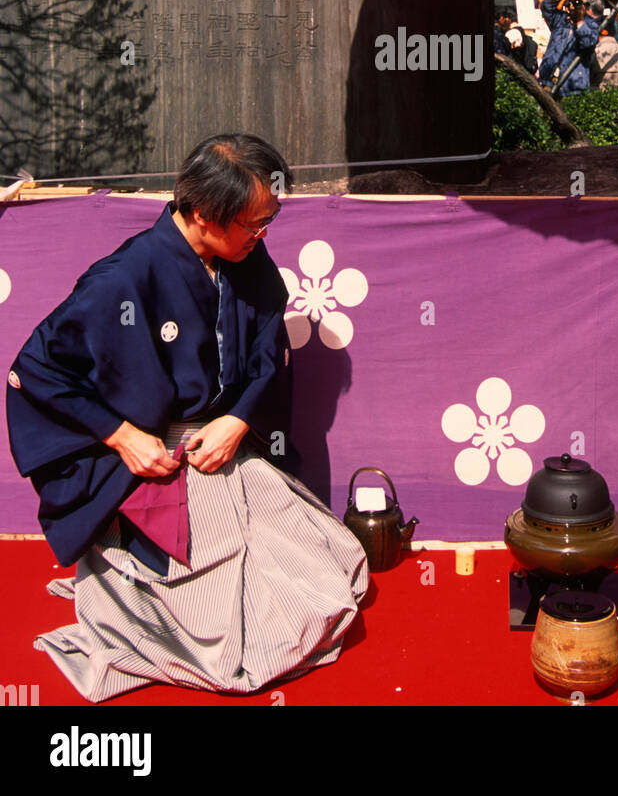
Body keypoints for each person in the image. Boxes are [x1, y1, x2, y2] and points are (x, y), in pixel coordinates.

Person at [6, 133, 368, 701]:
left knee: (330, 569)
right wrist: (123, 437)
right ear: (203, 214)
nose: (263, 234)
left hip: (220, 442)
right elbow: (33, 371)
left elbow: (269, 343)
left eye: (268, 219)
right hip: (153, 460)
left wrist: (240, 419)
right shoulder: (123, 278)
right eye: (253, 223)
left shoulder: (245, 255)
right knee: (234, 636)